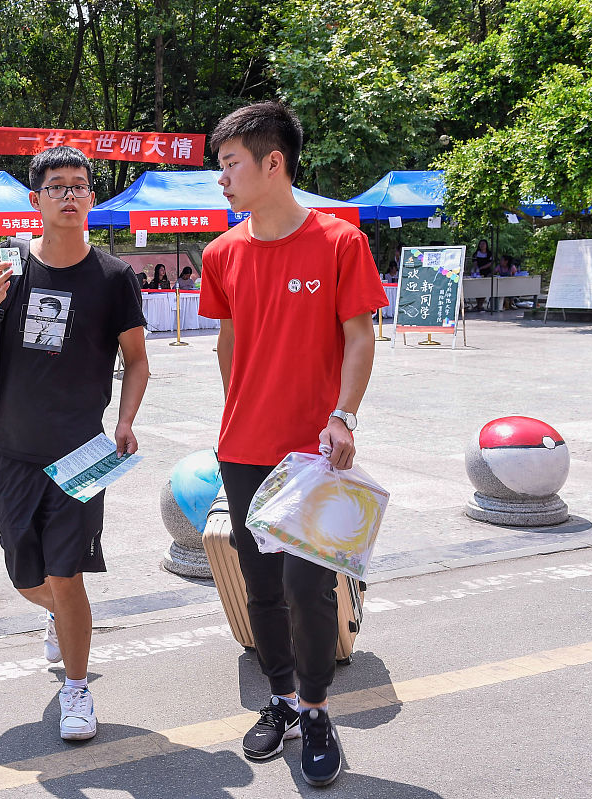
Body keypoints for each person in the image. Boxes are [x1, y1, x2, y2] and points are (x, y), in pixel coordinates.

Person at [200, 101, 387, 788]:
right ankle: (278, 698)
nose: (221, 179)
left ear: (271, 163)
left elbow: (361, 335)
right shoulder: (222, 253)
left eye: (230, 164)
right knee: (263, 586)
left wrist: (343, 413)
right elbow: (227, 342)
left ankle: (314, 710)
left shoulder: (340, 242)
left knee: (308, 588)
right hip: (242, 448)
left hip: (313, 453)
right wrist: (239, 408)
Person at [0, 146, 149, 743]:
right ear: (35, 201)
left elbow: (137, 360)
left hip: (82, 454)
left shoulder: (114, 277)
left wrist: (125, 419)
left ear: (92, 198)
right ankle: (63, 624)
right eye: (57, 186)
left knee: (67, 576)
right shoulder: (8, 265)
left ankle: (78, 688)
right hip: (13, 450)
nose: (71, 195)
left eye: (81, 186)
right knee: (25, 577)